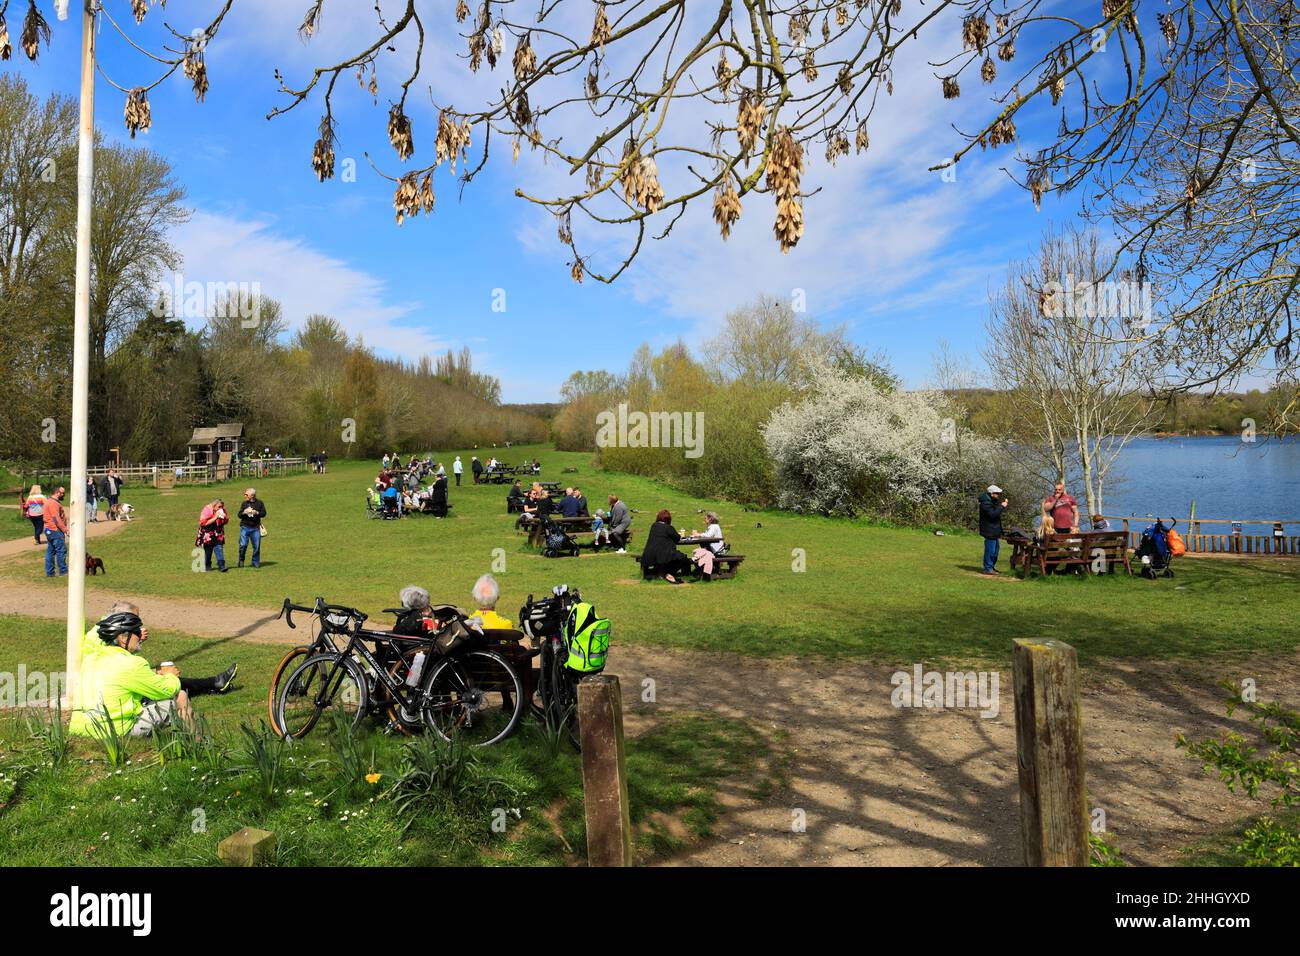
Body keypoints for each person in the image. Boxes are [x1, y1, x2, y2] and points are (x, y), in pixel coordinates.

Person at [68, 602, 237, 740]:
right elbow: (168, 690)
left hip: (81, 729)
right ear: (123, 637)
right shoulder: (131, 663)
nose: (140, 635)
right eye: (136, 631)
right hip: (114, 732)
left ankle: (214, 684)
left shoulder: (91, 656)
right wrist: (171, 676)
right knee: (180, 697)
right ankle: (200, 746)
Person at [642, 510, 693, 584]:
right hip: (662, 554)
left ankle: (661, 573)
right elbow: (677, 538)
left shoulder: (654, 526)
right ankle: (669, 573)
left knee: (669, 556)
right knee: (683, 557)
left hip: (648, 554)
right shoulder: (668, 528)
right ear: (669, 519)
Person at [978, 484, 1009, 575]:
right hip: (989, 530)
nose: (998, 495)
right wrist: (1002, 506)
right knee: (990, 550)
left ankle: (991, 567)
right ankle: (988, 568)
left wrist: (1000, 505)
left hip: (994, 530)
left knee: (995, 550)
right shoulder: (985, 503)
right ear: (991, 494)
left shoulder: (992, 501)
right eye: (997, 493)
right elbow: (992, 514)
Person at [689, 512, 726, 579]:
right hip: (714, 548)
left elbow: (708, 535)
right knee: (701, 551)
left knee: (701, 552)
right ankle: (700, 567)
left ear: (710, 519)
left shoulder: (714, 526)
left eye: (705, 518)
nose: (704, 520)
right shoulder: (712, 526)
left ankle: (700, 568)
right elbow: (707, 535)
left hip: (716, 549)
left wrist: (698, 534)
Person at [237, 488, 267, 568]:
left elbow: (264, 513)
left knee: (256, 546)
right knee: (243, 545)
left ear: (252, 495)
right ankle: (241, 560)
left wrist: (256, 512)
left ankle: (255, 562)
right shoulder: (244, 503)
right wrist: (244, 512)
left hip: (256, 528)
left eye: (246, 494)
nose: (245, 496)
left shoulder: (260, 503)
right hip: (245, 527)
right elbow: (239, 515)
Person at [197, 499, 229, 572]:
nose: (221, 508)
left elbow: (226, 521)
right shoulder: (206, 510)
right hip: (208, 533)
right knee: (208, 550)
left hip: (218, 533)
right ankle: (207, 565)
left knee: (219, 548)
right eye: (219, 507)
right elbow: (203, 523)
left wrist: (224, 518)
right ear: (214, 506)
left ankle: (221, 566)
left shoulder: (222, 510)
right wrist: (215, 517)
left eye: (222, 506)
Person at [44, 486, 69, 577]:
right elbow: (56, 518)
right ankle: (63, 571)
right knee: (61, 550)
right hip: (55, 530)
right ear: (57, 492)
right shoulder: (53, 503)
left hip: (49, 530)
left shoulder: (49, 501)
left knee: (50, 551)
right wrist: (65, 529)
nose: (63, 495)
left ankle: (50, 573)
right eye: (62, 493)